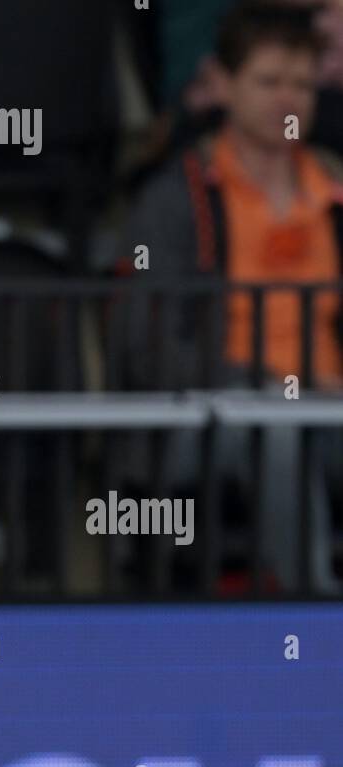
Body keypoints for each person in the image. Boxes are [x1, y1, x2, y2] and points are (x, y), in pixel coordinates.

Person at [120, 2, 342, 593]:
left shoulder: (334, 187)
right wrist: (270, 383)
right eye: (268, 81)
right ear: (222, 84)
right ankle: (317, 619)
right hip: (209, 414)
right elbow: (150, 347)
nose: (287, 100)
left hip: (334, 408)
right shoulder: (173, 198)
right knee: (279, 426)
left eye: (301, 82)